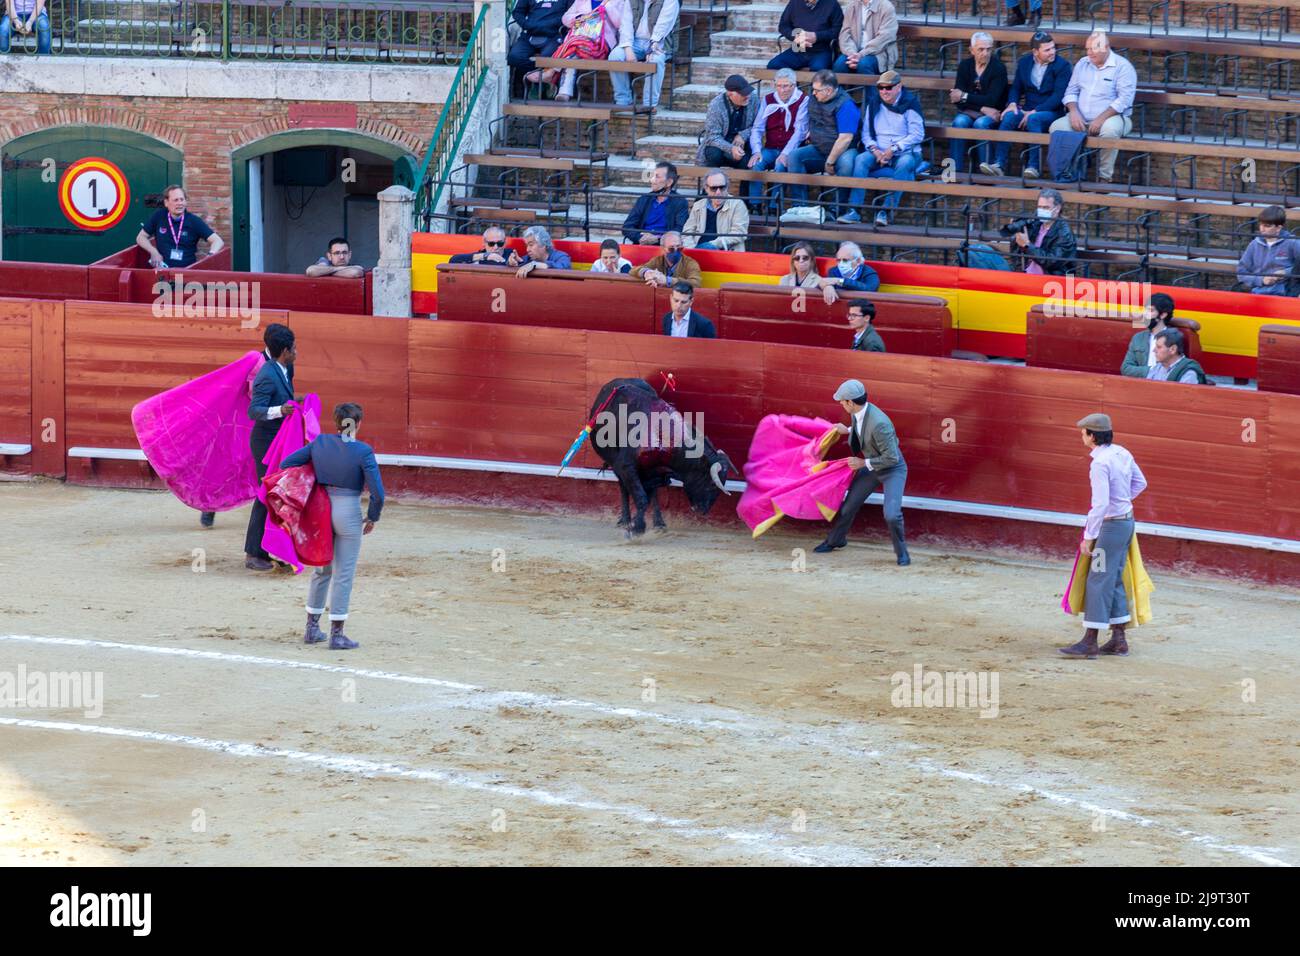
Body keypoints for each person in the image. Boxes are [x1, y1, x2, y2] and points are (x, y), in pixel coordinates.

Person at [278, 402, 385, 651]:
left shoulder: (320, 444)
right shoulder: (363, 451)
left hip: (322, 511)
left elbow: (287, 463)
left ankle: (312, 629)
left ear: (337, 423)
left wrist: (316, 481)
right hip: (347, 511)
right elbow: (378, 493)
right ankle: (337, 635)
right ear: (358, 424)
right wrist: (372, 517)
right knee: (343, 574)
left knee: (322, 571)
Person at [1059, 413, 1147, 659]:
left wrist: (1089, 536)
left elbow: (1099, 505)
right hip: (1126, 523)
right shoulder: (1122, 452)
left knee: (1098, 578)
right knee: (1114, 577)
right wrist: (1122, 502)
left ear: (1092, 436)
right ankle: (1119, 640)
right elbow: (1141, 483)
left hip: (1109, 529)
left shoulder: (1099, 463)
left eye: (1084, 432)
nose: (1081, 435)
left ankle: (1090, 642)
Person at [812, 378, 910, 565]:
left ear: (850, 402)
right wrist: (847, 430)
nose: (840, 404)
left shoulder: (880, 422)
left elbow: (892, 458)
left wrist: (863, 462)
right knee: (848, 506)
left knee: (891, 514)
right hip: (871, 466)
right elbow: (863, 429)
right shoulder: (860, 410)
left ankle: (902, 553)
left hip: (892, 469)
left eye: (842, 401)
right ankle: (836, 540)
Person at [1050, 30, 1136, 184]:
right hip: (1080, 117)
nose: (1089, 52)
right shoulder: (1082, 64)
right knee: (1056, 128)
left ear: (1106, 47)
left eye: (1094, 48)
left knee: (1109, 131)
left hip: (1114, 117)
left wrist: (1100, 119)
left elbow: (1124, 100)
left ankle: (1104, 177)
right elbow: (1071, 91)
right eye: (1088, 48)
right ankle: (1070, 172)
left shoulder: (1123, 67)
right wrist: (1073, 112)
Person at [245, 324, 299, 571]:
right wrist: (281, 409)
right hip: (266, 444)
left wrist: (294, 403)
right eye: (294, 348)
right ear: (284, 350)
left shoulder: (286, 367)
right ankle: (254, 554)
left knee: (274, 495)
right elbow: (254, 411)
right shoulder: (266, 374)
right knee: (265, 495)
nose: (297, 352)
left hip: (280, 441)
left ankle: (268, 549)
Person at [984, 30, 1070, 178]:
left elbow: (1058, 96)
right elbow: (1016, 87)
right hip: (1028, 109)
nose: (1052, 52)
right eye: (1047, 49)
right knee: (1010, 116)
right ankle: (999, 164)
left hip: (1052, 112)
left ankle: (1033, 167)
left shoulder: (1062, 66)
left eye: (1053, 48)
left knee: (1033, 119)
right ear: (1035, 52)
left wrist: (1035, 111)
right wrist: (1012, 103)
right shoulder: (1024, 63)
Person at [843, 71, 923, 227]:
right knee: (860, 159)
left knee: (905, 163)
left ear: (899, 86)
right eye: (881, 88)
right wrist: (875, 150)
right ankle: (854, 210)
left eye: (889, 87)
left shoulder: (911, 103)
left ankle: (886, 211)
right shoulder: (874, 103)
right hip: (878, 151)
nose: (884, 91)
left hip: (904, 152)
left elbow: (917, 135)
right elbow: (866, 133)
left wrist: (893, 149)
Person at [786, 71, 860, 208]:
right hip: (819, 148)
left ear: (829, 90)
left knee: (846, 165)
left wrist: (830, 162)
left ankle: (836, 209)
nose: (813, 93)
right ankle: (799, 206)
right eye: (813, 89)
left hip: (843, 151)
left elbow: (845, 138)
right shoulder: (815, 98)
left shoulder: (846, 105)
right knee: (794, 156)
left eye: (817, 90)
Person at [543, 0, 632, 102]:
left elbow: (621, 23)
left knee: (572, 44)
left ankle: (552, 72)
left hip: (600, 45)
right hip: (578, 42)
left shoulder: (617, 1)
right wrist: (578, 18)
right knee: (573, 53)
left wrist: (608, 8)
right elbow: (565, 18)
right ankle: (564, 93)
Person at [948, 32, 1008, 175]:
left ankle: (986, 168)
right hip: (969, 112)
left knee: (981, 124)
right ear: (972, 50)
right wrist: (981, 107)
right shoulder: (964, 66)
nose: (985, 53)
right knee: (959, 122)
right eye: (981, 49)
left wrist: (965, 96)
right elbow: (957, 100)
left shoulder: (998, 68)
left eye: (988, 49)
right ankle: (954, 170)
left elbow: (992, 100)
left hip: (994, 113)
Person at [747, 68, 809, 205]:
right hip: (770, 148)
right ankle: (754, 205)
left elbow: (800, 132)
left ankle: (774, 206)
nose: (782, 90)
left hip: (791, 150)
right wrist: (756, 150)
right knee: (755, 164)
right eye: (779, 86)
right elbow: (757, 128)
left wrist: (786, 153)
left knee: (780, 166)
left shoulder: (802, 99)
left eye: (786, 86)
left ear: (794, 85)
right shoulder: (769, 99)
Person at [610, 0, 679, 109]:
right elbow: (626, 23)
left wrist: (652, 46)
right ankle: (623, 100)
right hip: (635, 42)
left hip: (660, 42)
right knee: (615, 56)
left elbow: (664, 24)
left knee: (655, 60)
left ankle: (649, 104)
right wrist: (627, 47)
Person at [137, 186, 224, 270]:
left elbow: (218, 241)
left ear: (185, 202)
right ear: (166, 203)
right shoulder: (159, 216)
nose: (180, 203)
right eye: (176, 200)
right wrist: (153, 252)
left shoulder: (193, 221)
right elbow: (141, 237)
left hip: (187, 273)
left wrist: (209, 256)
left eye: (182, 199)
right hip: (163, 271)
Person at [1236, 205, 1300, 296]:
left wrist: (1285, 272)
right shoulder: (1254, 244)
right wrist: (1261, 280)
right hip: (1258, 293)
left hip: (1285, 293)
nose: (1262, 229)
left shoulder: (1292, 242)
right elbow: (1241, 272)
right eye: (1260, 224)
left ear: (1279, 227)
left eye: (1267, 226)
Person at [697, 75, 757, 171]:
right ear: (730, 94)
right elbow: (712, 137)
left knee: (749, 161)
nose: (747, 96)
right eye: (743, 94)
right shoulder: (716, 105)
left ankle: (745, 186)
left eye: (748, 92)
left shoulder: (753, 99)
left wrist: (743, 135)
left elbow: (758, 125)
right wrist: (731, 148)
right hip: (720, 146)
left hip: (743, 146)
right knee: (713, 154)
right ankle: (711, 183)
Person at [508, 0, 571, 92]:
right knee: (515, 57)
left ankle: (546, 87)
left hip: (554, 34)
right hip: (529, 34)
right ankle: (537, 79)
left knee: (547, 59)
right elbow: (518, 12)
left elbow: (569, 14)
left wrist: (548, 24)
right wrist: (526, 24)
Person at [1010, 188, 1075, 275]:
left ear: (1057, 208)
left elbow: (1053, 262)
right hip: (1026, 275)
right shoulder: (1035, 222)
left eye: (1046, 207)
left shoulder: (1064, 233)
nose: (1042, 211)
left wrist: (1027, 245)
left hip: (1052, 281)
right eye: (1039, 207)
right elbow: (1016, 251)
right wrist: (1017, 232)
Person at [622, 160, 689, 245]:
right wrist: (639, 237)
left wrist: (658, 239)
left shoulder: (680, 202)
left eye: (657, 177)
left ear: (669, 182)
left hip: (665, 247)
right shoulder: (644, 199)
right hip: (642, 244)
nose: (652, 180)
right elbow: (627, 227)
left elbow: (680, 228)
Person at [683, 170, 750, 251]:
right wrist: (692, 250)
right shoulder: (698, 205)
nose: (718, 192)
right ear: (706, 189)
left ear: (727, 187)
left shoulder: (737, 204)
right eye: (713, 188)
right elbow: (687, 233)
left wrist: (713, 245)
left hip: (726, 254)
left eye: (722, 187)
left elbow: (739, 233)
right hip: (698, 251)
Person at [769, 0, 843, 72]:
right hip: (797, 49)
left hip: (821, 51)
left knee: (818, 70)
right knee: (774, 65)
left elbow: (837, 30)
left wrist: (817, 36)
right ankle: (792, 84)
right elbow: (783, 26)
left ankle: (814, 84)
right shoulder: (795, 2)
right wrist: (795, 36)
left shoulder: (832, 4)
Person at [833, 0, 899, 76]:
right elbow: (844, 34)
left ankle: (872, 88)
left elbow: (885, 37)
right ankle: (842, 88)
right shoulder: (852, 6)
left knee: (863, 65)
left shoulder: (886, 7)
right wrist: (852, 53)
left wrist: (861, 54)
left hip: (878, 53)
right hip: (853, 51)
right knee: (839, 65)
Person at [1121, 292, 1174, 378]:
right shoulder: (1138, 338)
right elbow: (1126, 368)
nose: (1145, 314)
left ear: (1163, 315)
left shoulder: (1174, 338)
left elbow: (1173, 370)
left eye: (1150, 310)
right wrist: (1152, 370)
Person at [633, 230, 702, 287]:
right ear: (663, 248)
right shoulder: (657, 261)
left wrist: (667, 280)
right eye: (671, 248)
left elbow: (696, 283)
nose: (675, 250)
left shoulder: (690, 263)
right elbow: (633, 270)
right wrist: (646, 272)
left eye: (679, 247)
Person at [448, 225, 520, 265]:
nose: (496, 247)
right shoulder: (481, 255)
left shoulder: (511, 254)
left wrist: (515, 264)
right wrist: (486, 256)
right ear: (484, 243)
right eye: (491, 244)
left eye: (500, 243)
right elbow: (453, 260)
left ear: (505, 242)